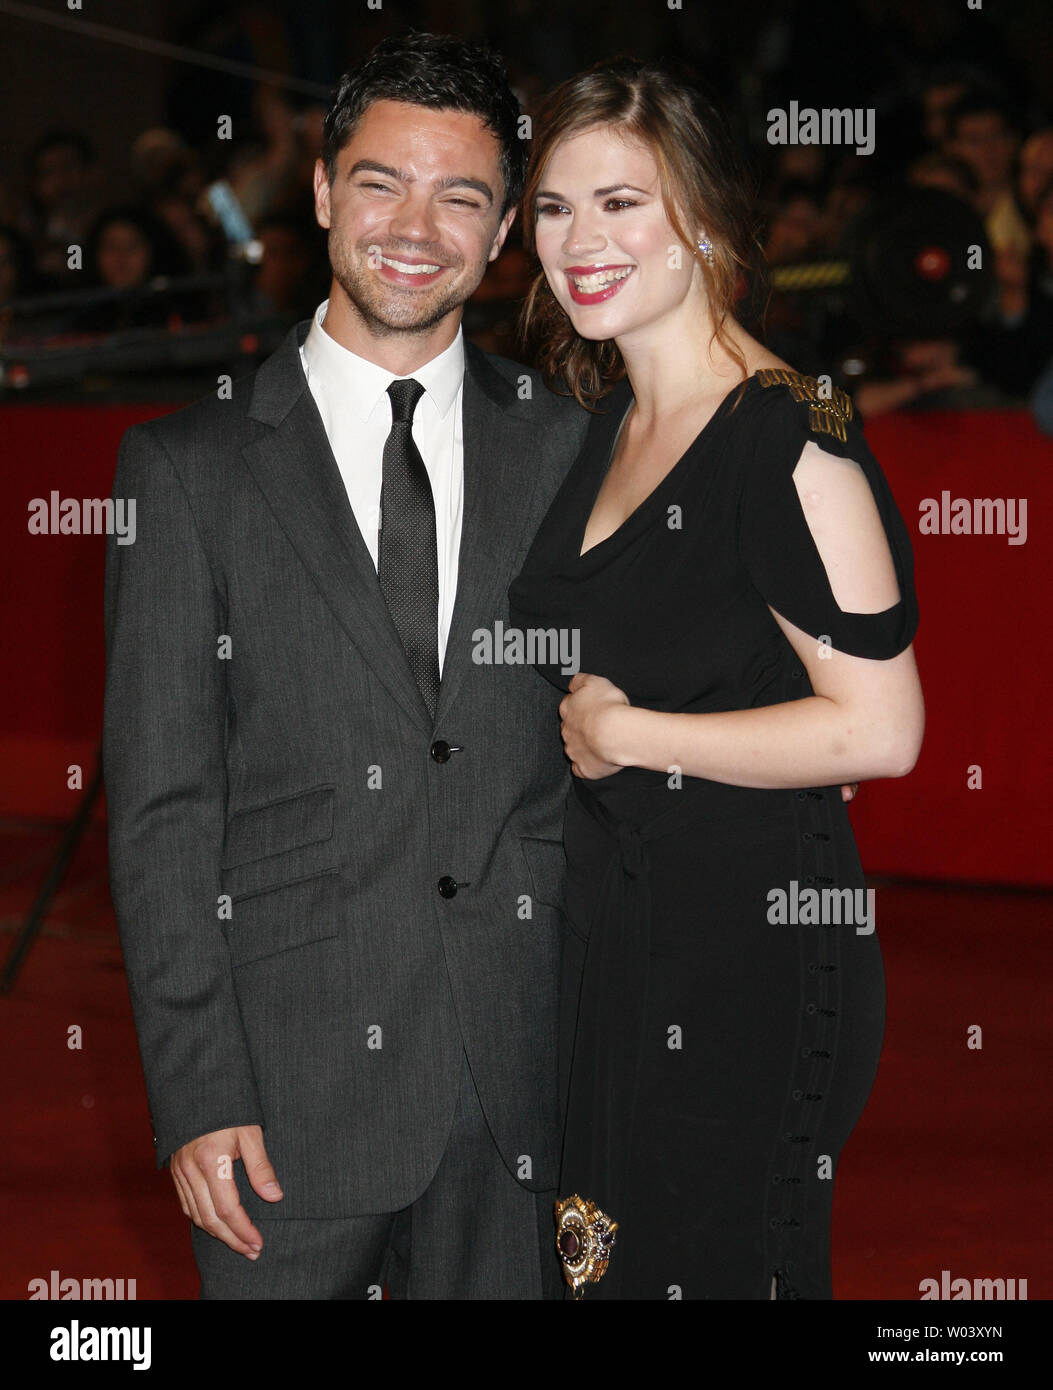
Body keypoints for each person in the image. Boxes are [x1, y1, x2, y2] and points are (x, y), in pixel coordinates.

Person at [103, 32, 588, 1300]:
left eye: (462, 197)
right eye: (381, 183)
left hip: (520, 1095)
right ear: (321, 195)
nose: (415, 226)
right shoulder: (185, 470)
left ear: (500, 240)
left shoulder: (573, 453)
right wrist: (197, 1090)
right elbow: (161, 809)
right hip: (283, 1106)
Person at [509, 58, 925, 1300]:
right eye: (552, 208)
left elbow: (881, 727)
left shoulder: (789, 440)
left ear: (699, 217)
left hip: (749, 953)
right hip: (615, 942)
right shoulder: (603, 423)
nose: (579, 241)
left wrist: (637, 731)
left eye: (620, 203)